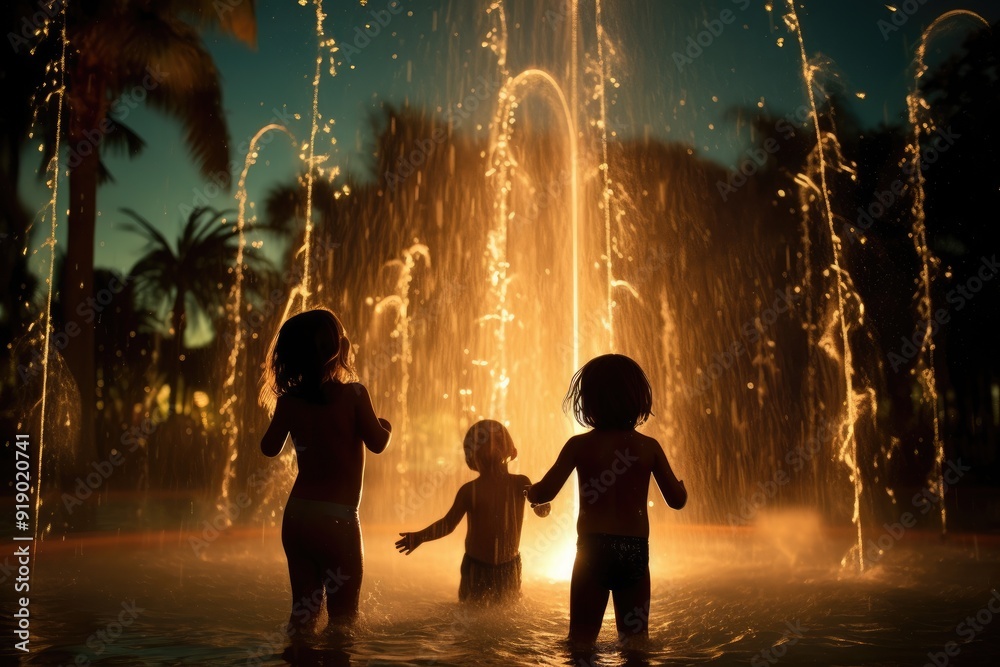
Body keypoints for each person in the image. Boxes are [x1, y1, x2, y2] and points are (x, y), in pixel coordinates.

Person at [526, 354, 687, 645]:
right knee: (636, 640)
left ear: (587, 400)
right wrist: (682, 487)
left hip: (592, 550)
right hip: (634, 551)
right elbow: (676, 500)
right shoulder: (648, 447)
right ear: (639, 398)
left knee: (581, 639)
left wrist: (531, 492)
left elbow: (545, 492)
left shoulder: (579, 445)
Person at [259, 308, 392, 635]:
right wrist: (386, 426)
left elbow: (269, 448)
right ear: (338, 349)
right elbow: (377, 443)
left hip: (298, 517)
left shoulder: (289, 402)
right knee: (343, 619)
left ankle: (296, 657)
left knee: (303, 613)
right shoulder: (354, 395)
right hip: (339, 519)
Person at [395, 419, 549, 604]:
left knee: (484, 614)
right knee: (497, 615)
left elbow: (447, 524)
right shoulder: (475, 490)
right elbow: (448, 524)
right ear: (512, 452)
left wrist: (541, 503)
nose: (492, 450)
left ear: (471, 458)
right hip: (483, 566)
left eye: (496, 444)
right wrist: (420, 536)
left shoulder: (517, 484)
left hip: (500, 566)